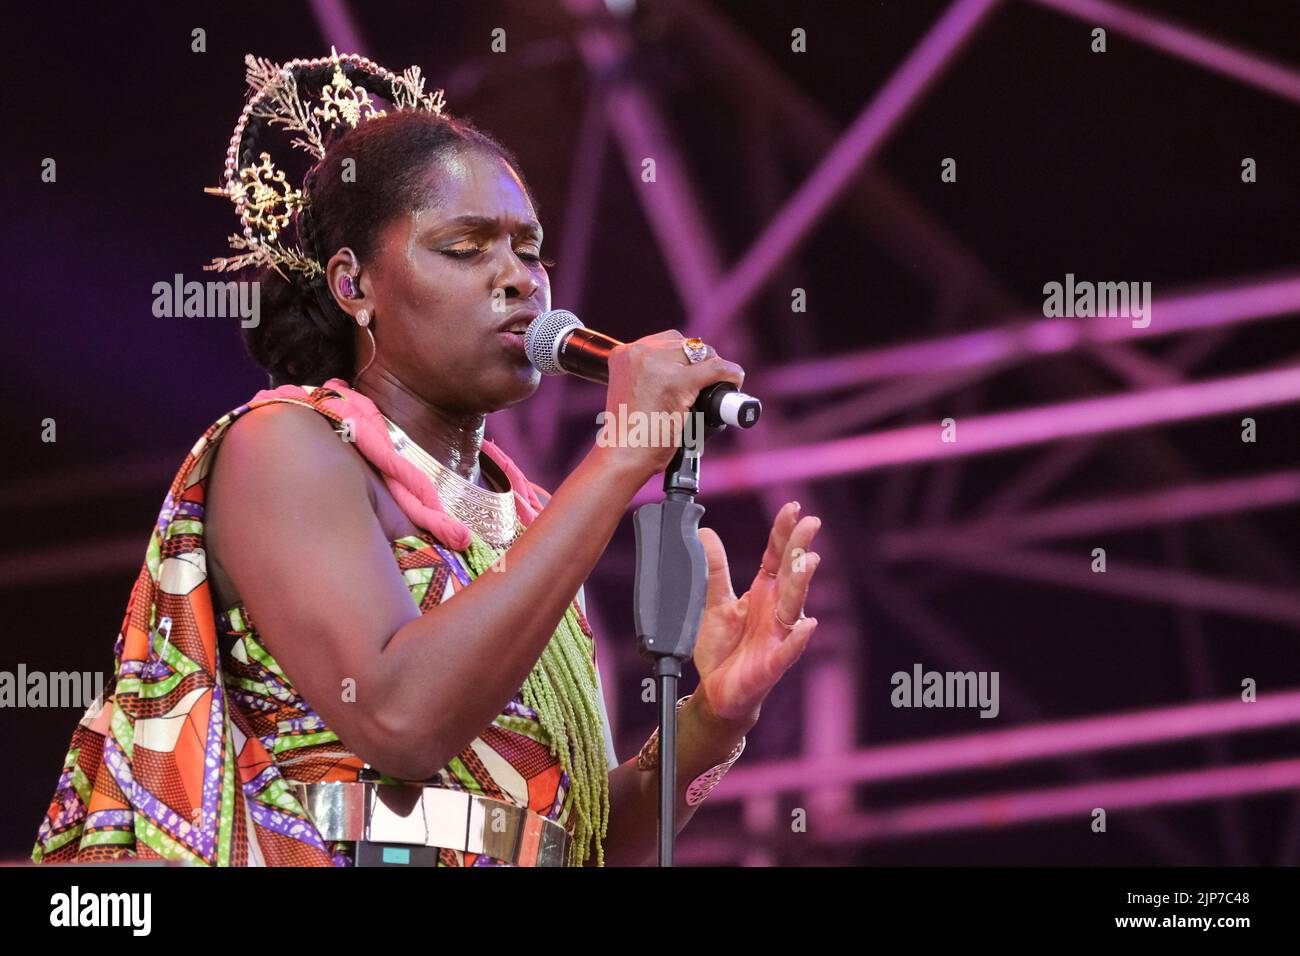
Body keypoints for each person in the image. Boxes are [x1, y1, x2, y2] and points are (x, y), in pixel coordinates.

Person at [32, 50, 822, 867]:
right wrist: (621, 457)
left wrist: (712, 720)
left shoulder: (530, 517)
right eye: (465, 247)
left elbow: (571, 843)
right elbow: (401, 722)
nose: (518, 279)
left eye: (529, 248)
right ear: (354, 286)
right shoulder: (289, 444)